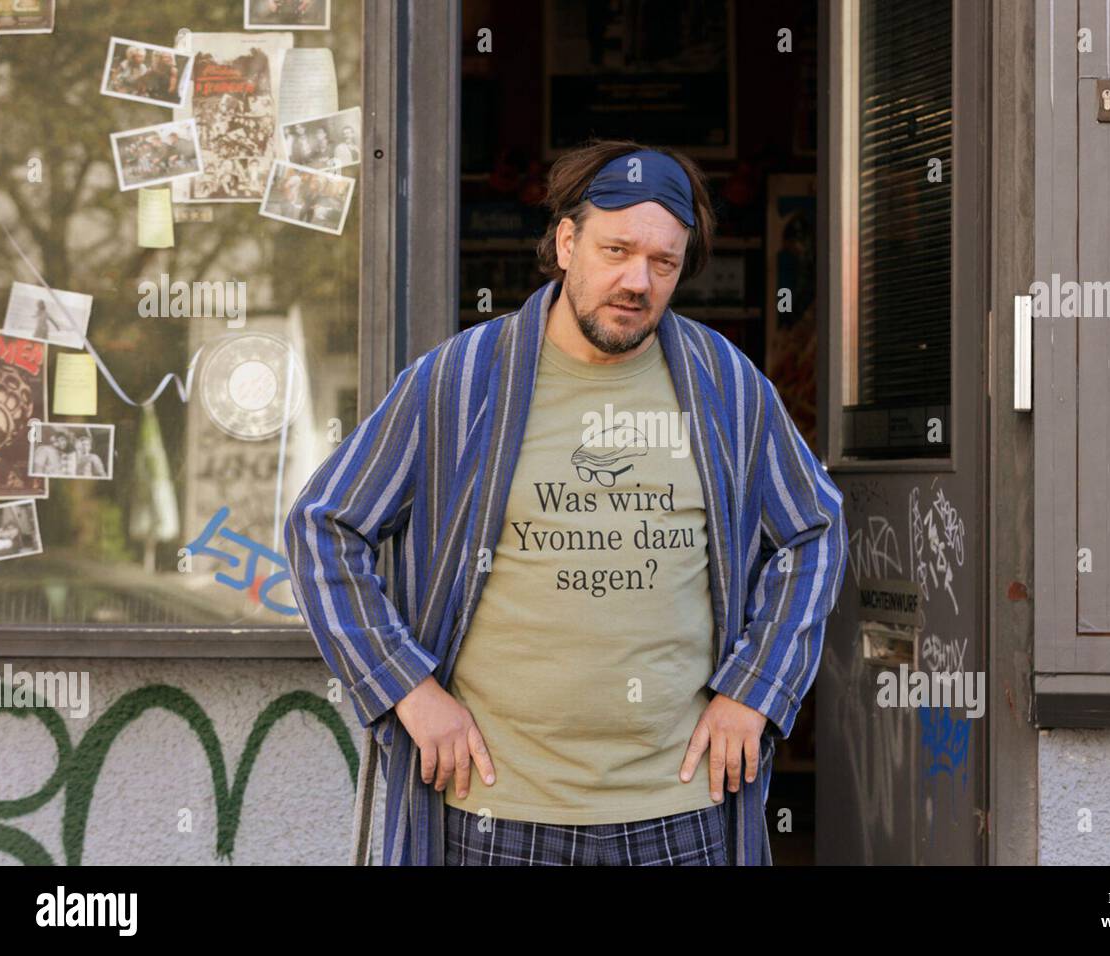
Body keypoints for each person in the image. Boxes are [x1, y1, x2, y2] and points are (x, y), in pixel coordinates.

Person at [284, 139, 848, 866]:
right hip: (493, 809)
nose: (637, 281)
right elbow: (323, 525)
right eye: (616, 250)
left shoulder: (724, 385)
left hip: (679, 807)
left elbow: (815, 528)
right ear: (566, 240)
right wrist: (409, 693)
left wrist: (757, 690)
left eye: (663, 262)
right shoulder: (460, 381)